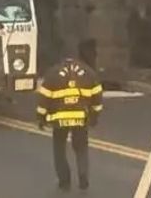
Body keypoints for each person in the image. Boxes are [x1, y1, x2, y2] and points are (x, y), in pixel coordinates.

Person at [37, 42, 103, 192]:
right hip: (80, 117)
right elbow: (97, 96)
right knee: (81, 148)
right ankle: (83, 176)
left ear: (62, 56)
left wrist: (41, 118)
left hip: (59, 119)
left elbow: (44, 99)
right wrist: (94, 116)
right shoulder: (88, 73)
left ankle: (64, 181)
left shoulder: (53, 73)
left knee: (59, 149)